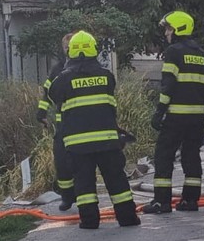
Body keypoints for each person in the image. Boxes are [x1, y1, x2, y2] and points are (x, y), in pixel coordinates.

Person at [47, 31, 141, 229]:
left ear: (70, 52)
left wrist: (67, 69)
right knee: (117, 180)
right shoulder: (106, 76)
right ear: (94, 51)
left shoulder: (64, 79)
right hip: (107, 140)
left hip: (78, 144)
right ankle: (128, 218)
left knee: (84, 184)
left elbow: (53, 94)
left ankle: (90, 221)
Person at [145, 11, 204, 214]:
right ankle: (190, 201)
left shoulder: (173, 52)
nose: (166, 33)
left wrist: (159, 112)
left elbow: (168, 86)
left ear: (178, 29)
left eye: (168, 28)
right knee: (191, 156)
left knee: (163, 156)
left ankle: (161, 202)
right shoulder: (201, 54)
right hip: (197, 117)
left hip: (176, 116)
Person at [35, 33, 76, 211]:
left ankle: (84, 194)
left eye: (70, 47)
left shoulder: (86, 68)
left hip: (81, 123)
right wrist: (41, 112)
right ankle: (67, 197)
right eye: (65, 47)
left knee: (82, 161)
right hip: (63, 124)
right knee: (62, 161)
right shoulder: (58, 69)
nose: (67, 50)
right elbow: (47, 93)